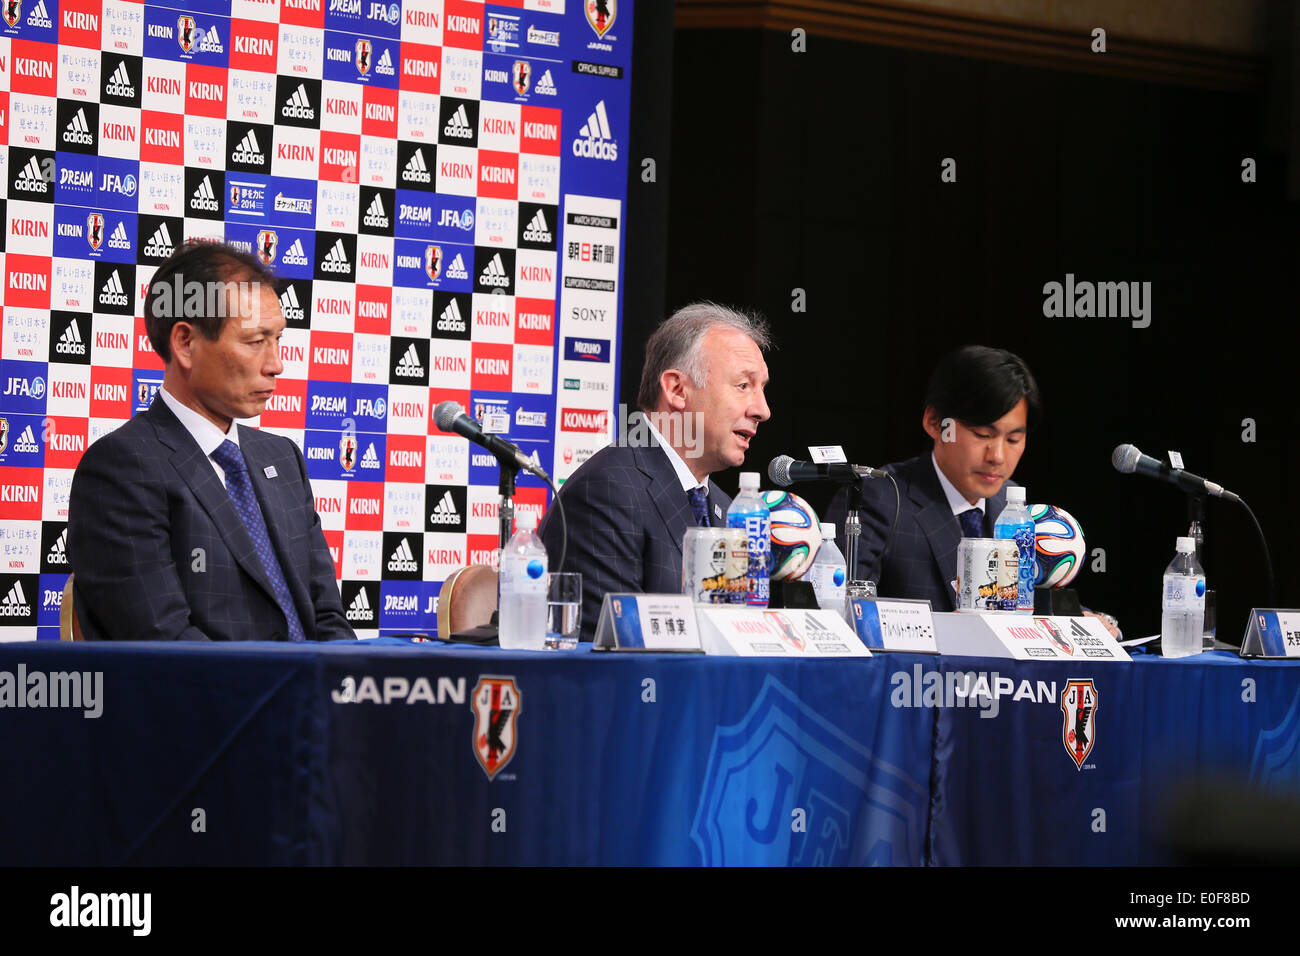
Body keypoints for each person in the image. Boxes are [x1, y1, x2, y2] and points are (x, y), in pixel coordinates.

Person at [67, 242, 354, 642]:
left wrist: (346, 680)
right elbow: (169, 646)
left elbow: (329, 621)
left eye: (277, 338)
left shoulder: (283, 457)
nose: (276, 364)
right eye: (255, 341)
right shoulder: (122, 468)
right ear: (186, 344)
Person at [539, 302, 771, 640]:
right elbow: (614, 649)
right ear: (677, 390)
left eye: (762, 388)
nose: (762, 410)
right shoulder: (606, 491)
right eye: (743, 385)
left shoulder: (724, 506)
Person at [827, 345, 1039, 612]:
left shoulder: (1015, 510)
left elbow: (1038, 597)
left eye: (1013, 439)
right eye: (983, 435)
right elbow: (843, 612)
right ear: (935, 422)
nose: (997, 456)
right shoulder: (877, 498)